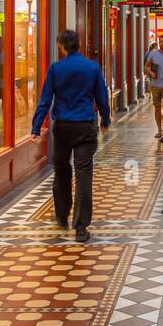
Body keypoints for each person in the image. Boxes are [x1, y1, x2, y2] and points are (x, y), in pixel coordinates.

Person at [32, 29, 111, 242]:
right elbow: (102, 97)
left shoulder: (57, 68)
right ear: (79, 44)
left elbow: (45, 99)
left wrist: (36, 126)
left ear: (62, 46)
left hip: (63, 127)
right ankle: (81, 226)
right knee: (84, 174)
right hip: (85, 126)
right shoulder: (92, 67)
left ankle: (61, 215)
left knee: (62, 170)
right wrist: (105, 119)